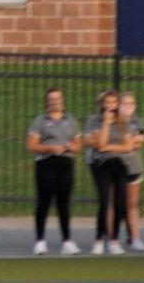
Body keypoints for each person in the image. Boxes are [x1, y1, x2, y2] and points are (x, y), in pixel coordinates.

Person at [26, 87, 81, 255]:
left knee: (64, 203)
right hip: (46, 163)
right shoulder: (40, 121)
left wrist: (71, 147)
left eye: (57, 99)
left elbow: (79, 144)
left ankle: (67, 240)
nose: (55, 102)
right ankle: (40, 241)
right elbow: (31, 145)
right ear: (47, 102)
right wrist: (50, 148)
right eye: (51, 99)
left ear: (62, 101)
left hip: (65, 162)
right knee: (44, 202)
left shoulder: (70, 120)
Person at [86, 90, 131, 255]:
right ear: (101, 104)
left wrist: (110, 147)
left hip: (119, 162)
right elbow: (98, 144)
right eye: (107, 102)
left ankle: (114, 240)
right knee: (104, 201)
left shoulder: (123, 121)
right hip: (101, 163)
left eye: (113, 102)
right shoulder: (94, 121)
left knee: (120, 201)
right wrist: (105, 123)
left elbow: (128, 146)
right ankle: (99, 239)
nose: (110, 106)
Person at [118, 92, 144, 251]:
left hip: (134, 165)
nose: (129, 106)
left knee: (132, 204)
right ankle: (110, 237)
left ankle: (135, 237)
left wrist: (130, 141)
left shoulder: (138, 121)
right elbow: (117, 141)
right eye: (125, 103)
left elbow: (142, 140)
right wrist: (130, 141)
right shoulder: (114, 121)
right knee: (114, 203)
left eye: (132, 103)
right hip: (117, 164)